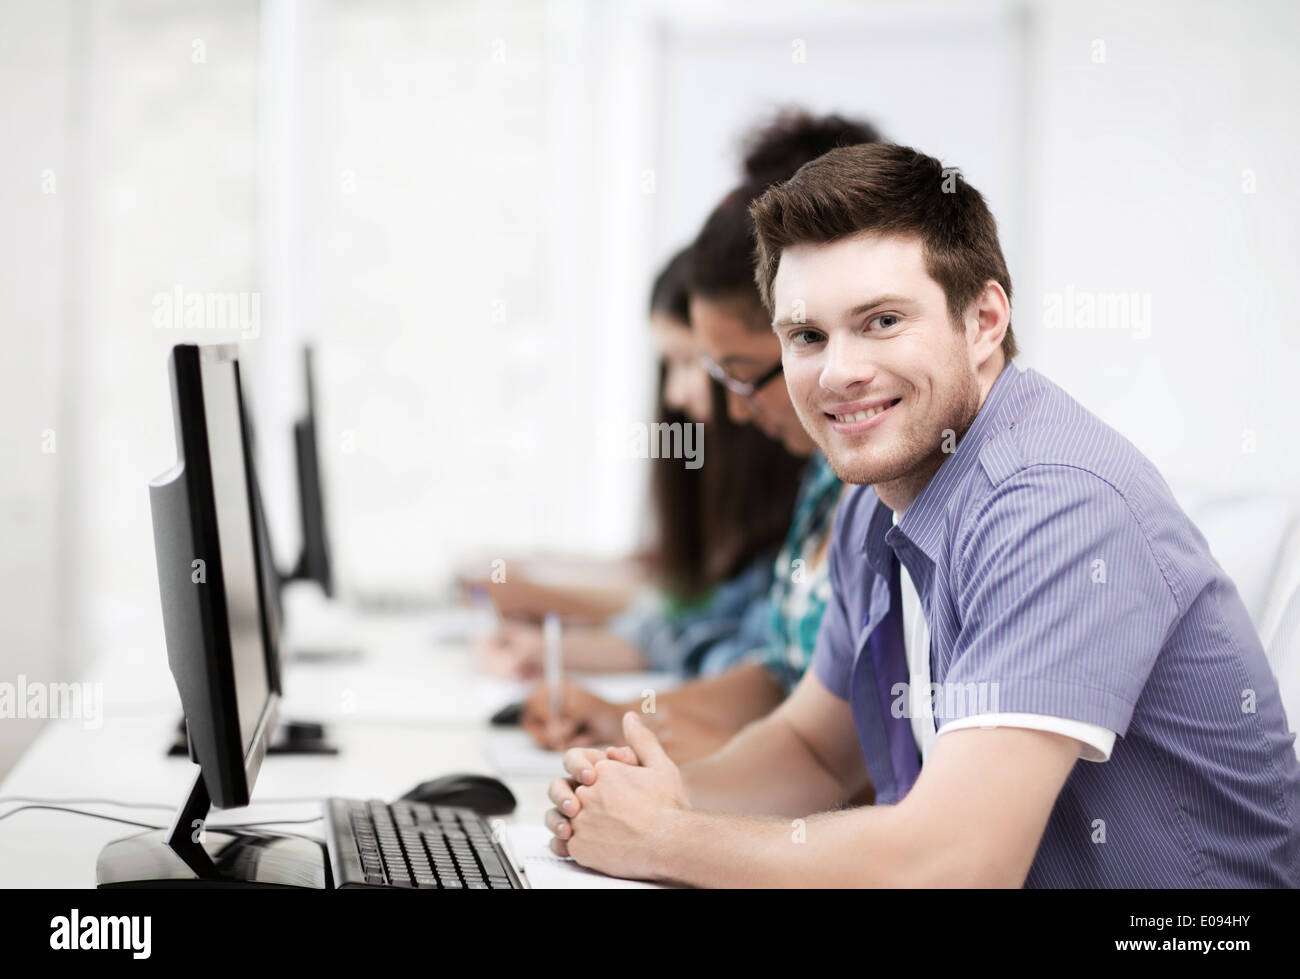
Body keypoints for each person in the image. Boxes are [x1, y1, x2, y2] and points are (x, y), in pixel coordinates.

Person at [542, 142, 1300, 887]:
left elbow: (958, 863)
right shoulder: (875, 502)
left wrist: (669, 840)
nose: (839, 372)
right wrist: (645, 799)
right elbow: (811, 749)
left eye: (881, 322)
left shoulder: (1056, 503)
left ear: (984, 321)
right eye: (807, 336)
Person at [522, 111, 881, 762]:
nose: (719, 406)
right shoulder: (831, 476)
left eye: (728, 372)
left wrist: (666, 790)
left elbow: (856, 764)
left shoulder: (916, 487)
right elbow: (783, 684)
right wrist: (627, 725)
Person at [479, 246, 806, 679]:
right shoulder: (737, 486)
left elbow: (747, 657)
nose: (675, 395)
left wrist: (554, 630)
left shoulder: (808, 486)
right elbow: (686, 608)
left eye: (690, 362)